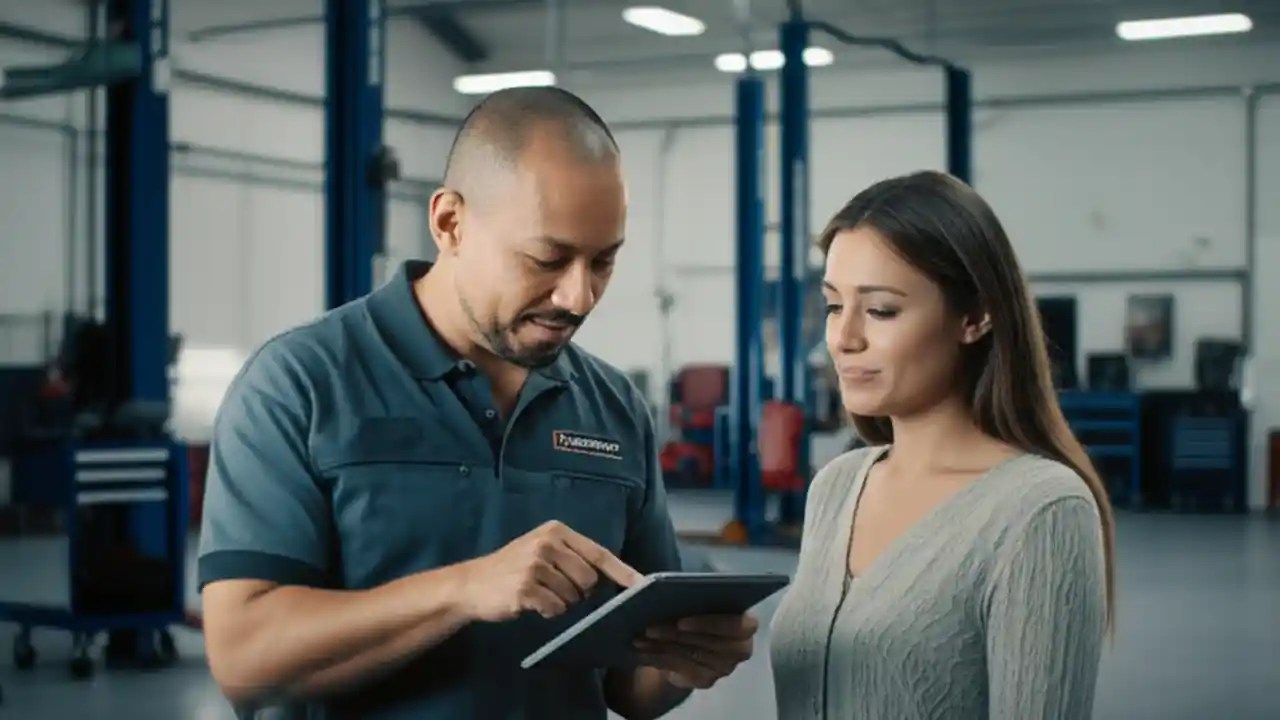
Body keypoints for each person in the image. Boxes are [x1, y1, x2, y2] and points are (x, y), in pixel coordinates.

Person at [197, 87, 758, 720]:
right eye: (546, 258)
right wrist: (463, 589)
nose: (577, 296)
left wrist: (687, 661)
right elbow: (245, 660)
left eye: (603, 261)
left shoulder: (613, 407)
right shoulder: (299, 384)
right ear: (449, 223)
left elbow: (628, 688)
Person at [769, 170, 1115, 719]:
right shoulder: (837, 487)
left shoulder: (1040, 511)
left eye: (880, 309)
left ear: (975, 317)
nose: (844, 337)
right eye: (834, 306)